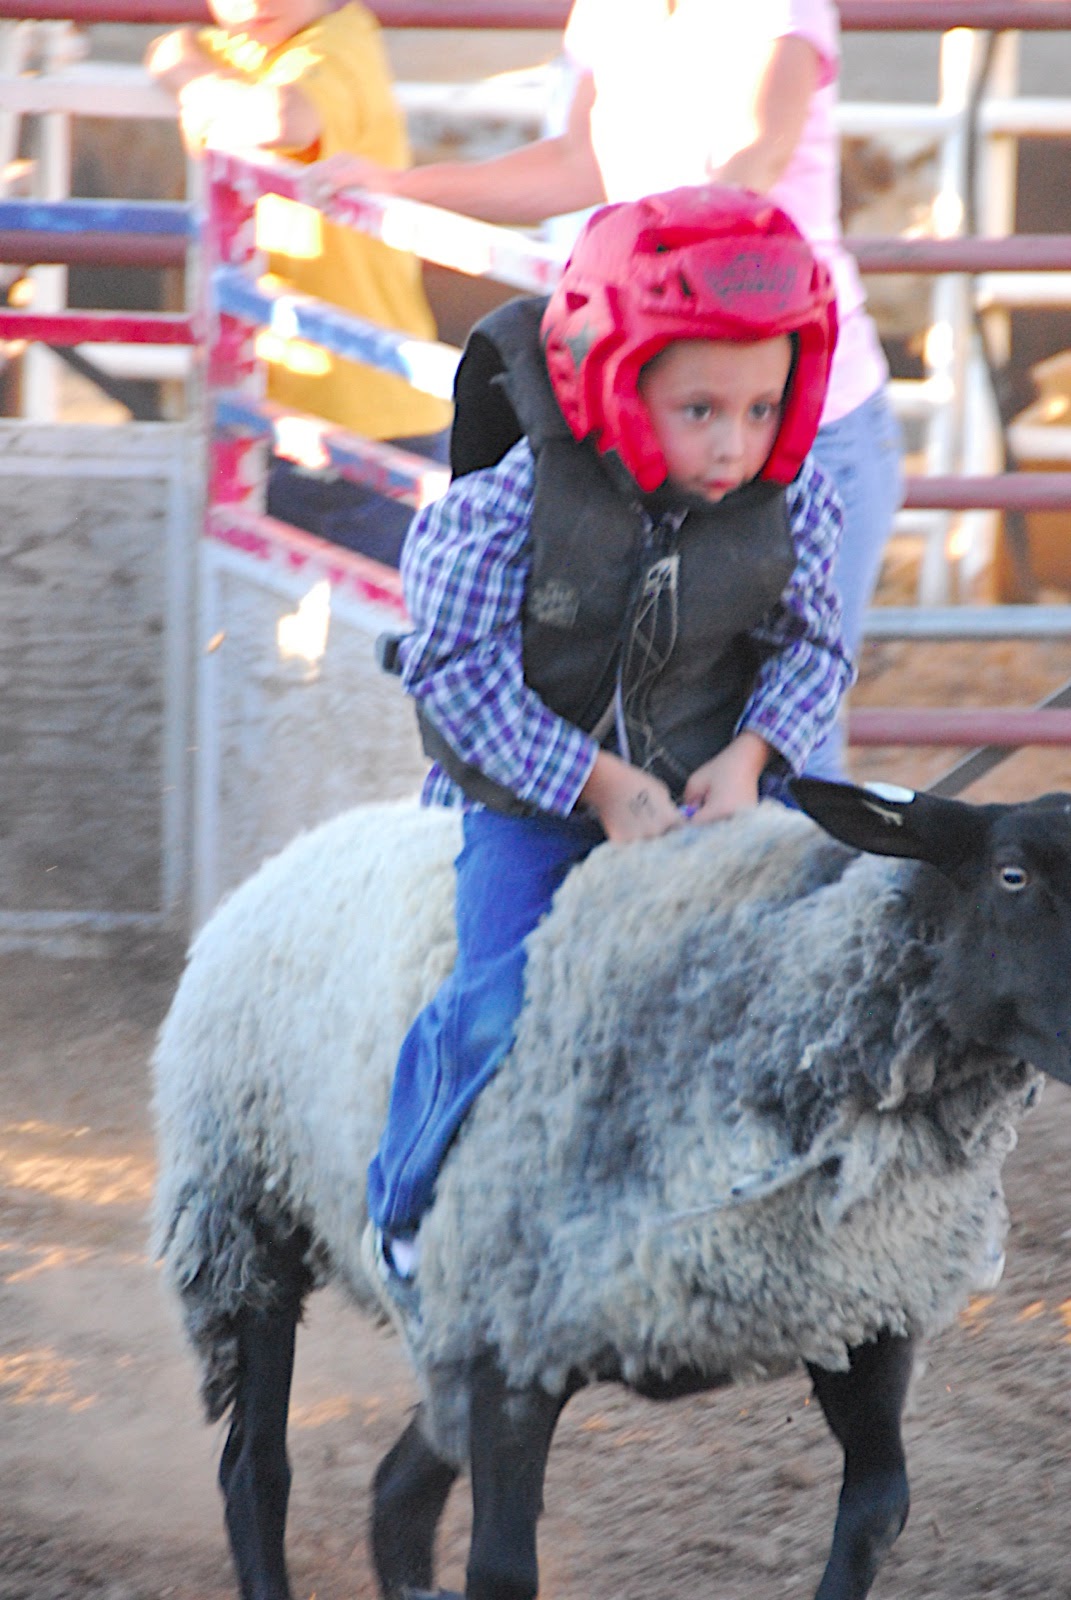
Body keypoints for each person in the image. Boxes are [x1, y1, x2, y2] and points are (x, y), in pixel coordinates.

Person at [363, 184, 853, 1310]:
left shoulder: (798, 500)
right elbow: (451, 674)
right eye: (701, 411)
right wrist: (593, 782)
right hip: (530, 801)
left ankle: (778, 1213)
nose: (738, 445)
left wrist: (753, 757)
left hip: (707, 796)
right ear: (611, 377)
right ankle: (402, 1201)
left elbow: (816, 648)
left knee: (805, 975)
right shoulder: (502, 509)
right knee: (498, 1002)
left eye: (765, 407)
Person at [316, 0, 901, 768]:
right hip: (646, 404)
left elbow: (753, 154)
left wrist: (651, 280)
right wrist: (400, 185)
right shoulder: (610, 9)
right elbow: (577, 162)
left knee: (780, 738)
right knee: (643, 705)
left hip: (788, 415)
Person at [146, 0, 452, 564]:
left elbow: (281, 119)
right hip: (289, 402)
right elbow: (169, 48)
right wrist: (192, 69)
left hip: (363, 412)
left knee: (373, 623)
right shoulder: (253, 43)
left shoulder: (338, 44)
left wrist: (195, 90)